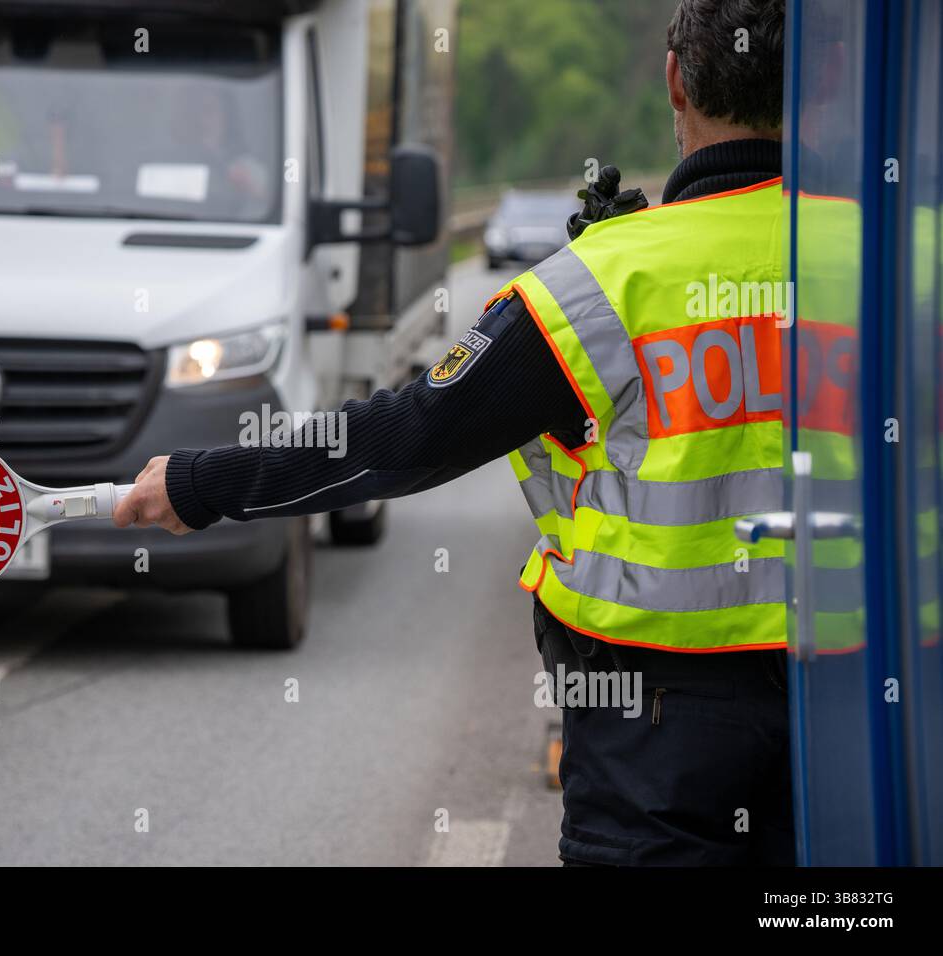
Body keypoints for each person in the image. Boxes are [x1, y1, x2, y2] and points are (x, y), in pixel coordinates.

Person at [114, 0, 793, 866]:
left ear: (674, 80)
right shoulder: (900, 256)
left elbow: (408, 435)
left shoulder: (595, 286)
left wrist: (202, 482)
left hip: (654, 720)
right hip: (870, 696)